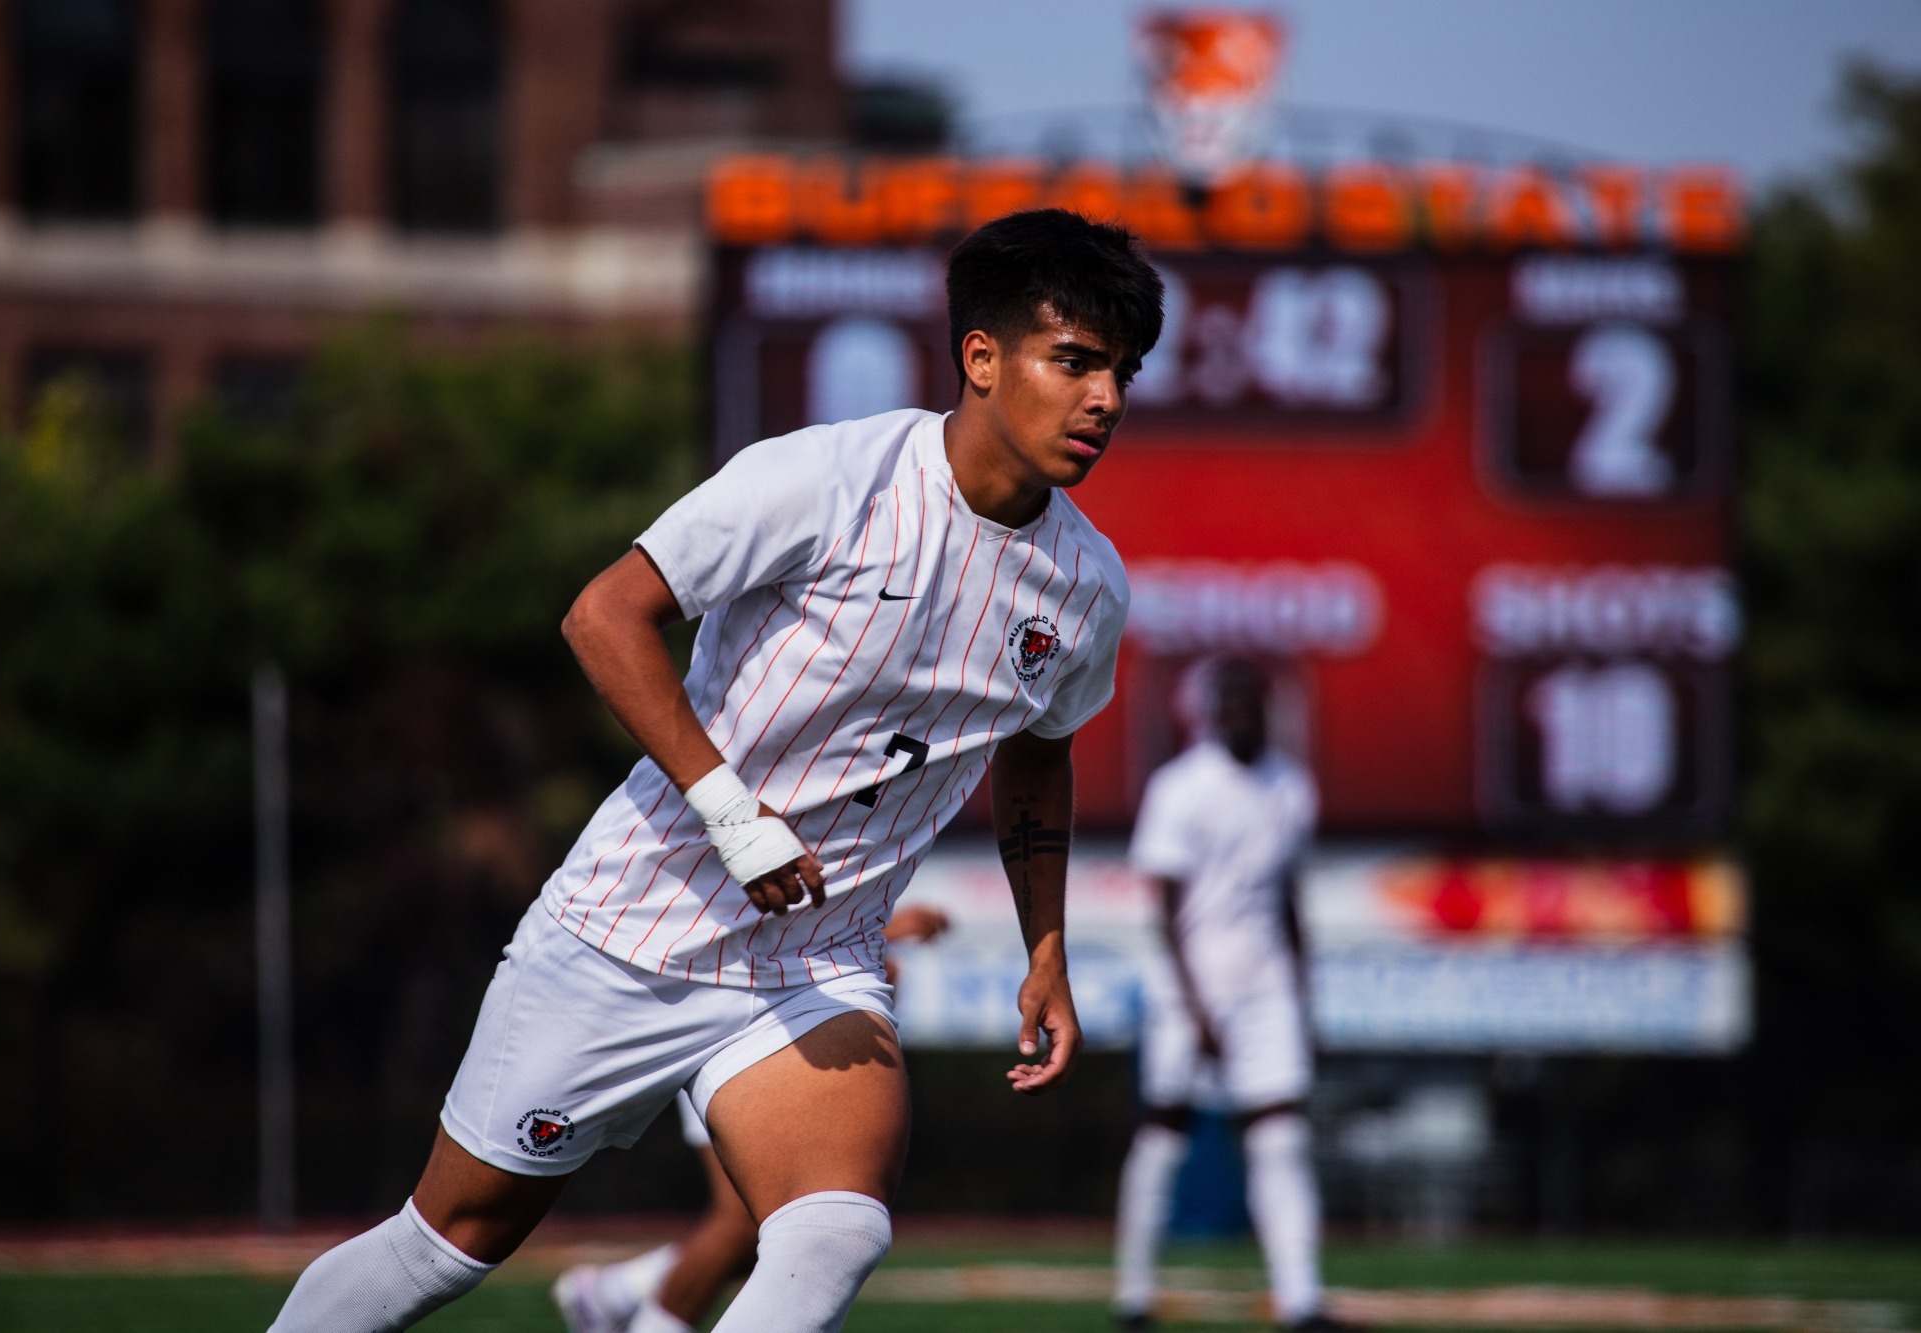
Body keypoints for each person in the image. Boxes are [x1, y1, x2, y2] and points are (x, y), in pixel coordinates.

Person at [264, 207, 1161, 1333]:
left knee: (834, 1228)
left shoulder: (1085, 587)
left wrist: (1045, 947)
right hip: (629, 927)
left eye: (1121, 372)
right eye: (1073, 361)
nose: (1104, 400)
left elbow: (1037, 755)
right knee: (447, 1246)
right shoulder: (824, 479)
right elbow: (604, 617)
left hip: (813, 959)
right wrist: (734, 816)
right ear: (979, 358)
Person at [550, 905, 953, 1333]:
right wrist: (883, 929)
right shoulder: (758, 841)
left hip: (779, 1027)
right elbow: (738, 912)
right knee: (746, 1223)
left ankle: (618, 1292)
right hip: (731, 1021)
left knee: (776, 1226)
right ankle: (626, 1307)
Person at [1111, 659, 1353, 1332]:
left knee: (1281, 1136)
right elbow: (1164, 907)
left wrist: (1306, 1005)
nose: (1246, 716)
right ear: (1214, 713)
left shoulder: (1290, 786)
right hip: (1191, 981)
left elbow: (1290, 901)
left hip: (1267, 980)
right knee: (1165, 1134)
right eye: (1234, 705)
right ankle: (1133, 1292)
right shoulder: (1181, 787)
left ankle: (1300, 1298)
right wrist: (1196, 1007)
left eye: (1256, 704)